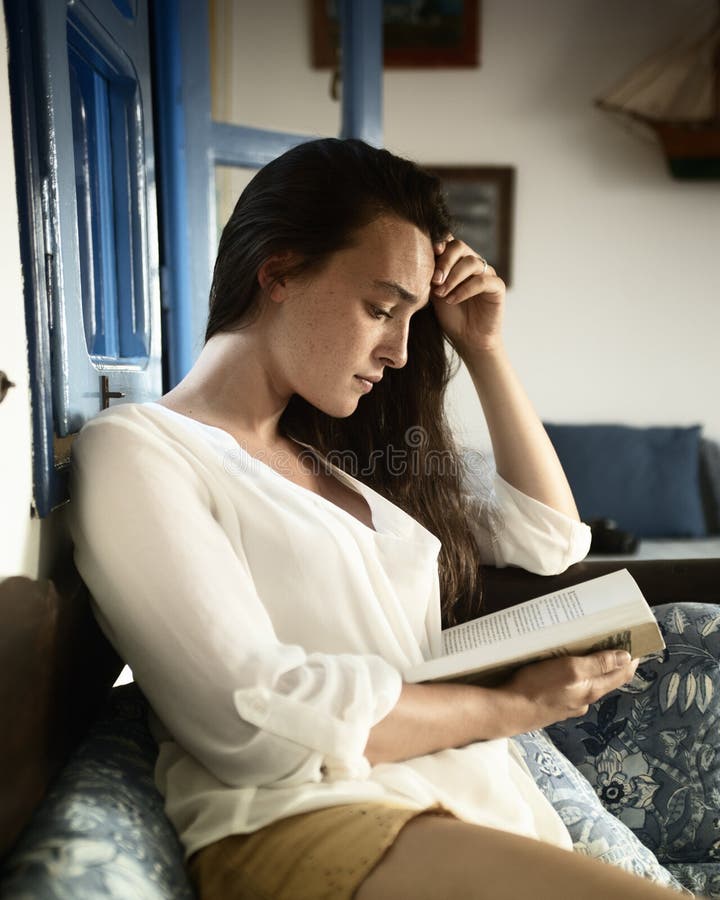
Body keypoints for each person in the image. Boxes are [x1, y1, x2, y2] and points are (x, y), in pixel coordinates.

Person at [69, 138, 687, 900]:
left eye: (411, 318)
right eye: (381, 308)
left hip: (453, 808)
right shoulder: (143, 448)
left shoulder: (335, 460)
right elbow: (255, 716)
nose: (398, 352)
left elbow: (552, 540)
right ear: (280, 273)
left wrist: (486, 350)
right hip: (315, 816)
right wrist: (512, 706)